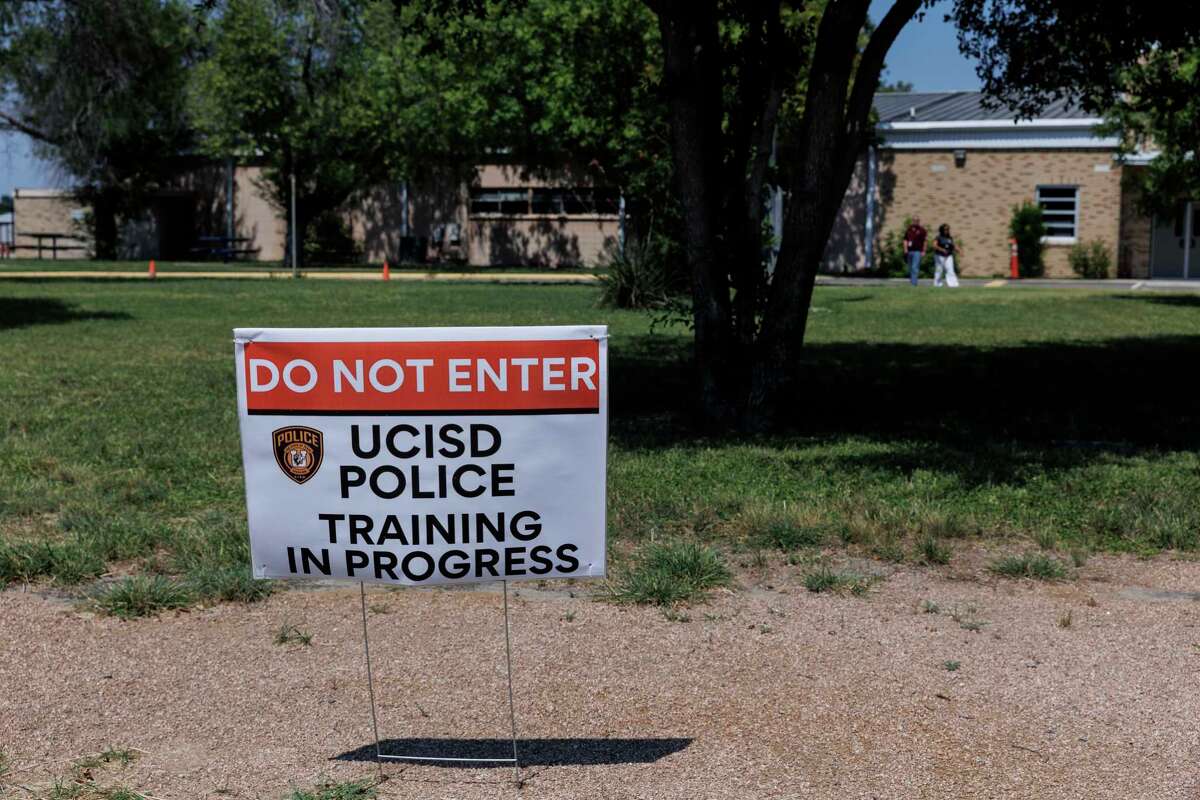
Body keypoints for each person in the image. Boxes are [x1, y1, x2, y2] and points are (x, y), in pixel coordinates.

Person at [933, 223, 959, 287]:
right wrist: (942, 249)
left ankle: (953, 284)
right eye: (945, 229)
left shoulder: (949, 238)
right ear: (942, 230)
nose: (947, 231)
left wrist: (958, 250)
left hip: (948, 255)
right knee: (939, 270)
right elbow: (934, 245)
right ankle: (937, 284)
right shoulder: (938, 237)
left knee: (950, 269)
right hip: (939, 256)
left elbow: (953, 245)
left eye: (948, 229)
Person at [903, 216, 927, 286]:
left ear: (919, 221)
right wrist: (905, 249)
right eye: (914, 220)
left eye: (917, 220)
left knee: (914, 267)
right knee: (910, 268)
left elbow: (925, 241)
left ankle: (914, 284)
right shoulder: (909, 229)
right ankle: (912, 282)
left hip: (917, 251)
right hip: (909, 251)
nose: (915, 222)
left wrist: (924, 250)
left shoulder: (922, 230)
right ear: (912, 221)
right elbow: (905, 240)